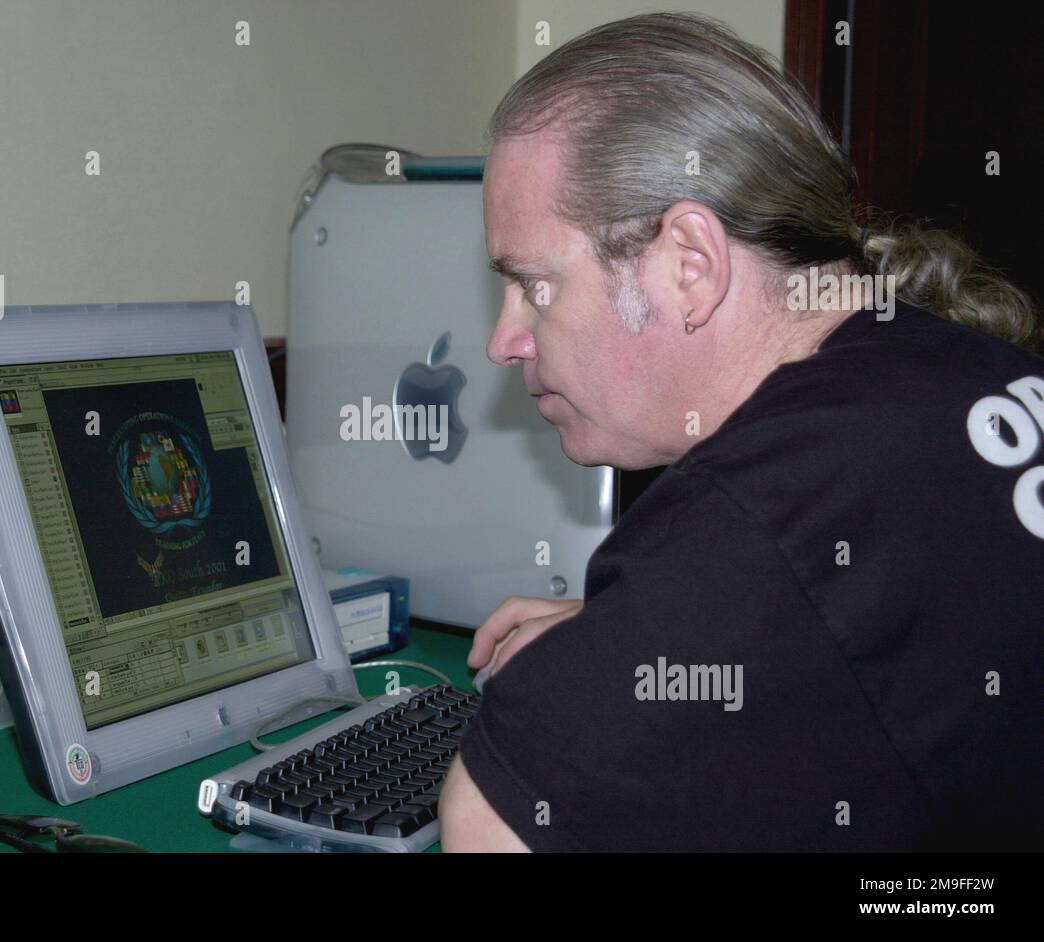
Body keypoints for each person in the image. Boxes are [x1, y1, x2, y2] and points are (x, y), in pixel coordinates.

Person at [439, 12, 1044, 852]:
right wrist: (654, 630)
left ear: (690, 263)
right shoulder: (961, 367)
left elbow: (489, 822)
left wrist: (681, 616)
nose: (504, 340)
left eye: (533, 285)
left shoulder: (761, 513)